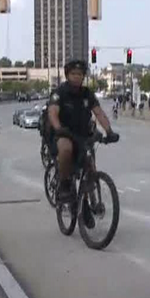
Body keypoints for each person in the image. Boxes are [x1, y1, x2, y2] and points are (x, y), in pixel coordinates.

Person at [47, 59, 119, 205]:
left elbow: (99, 113)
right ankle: (65, 185)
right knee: (66, 149)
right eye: (73, 73)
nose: (77, 76)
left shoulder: (87, 94)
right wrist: (59, 128)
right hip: (64, 133)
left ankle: (88, 204)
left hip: (83, 135)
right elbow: (53, 113)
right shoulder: (60, 92)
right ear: (67, 75)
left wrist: (109, 131)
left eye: (80, 74)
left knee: (90, 166)